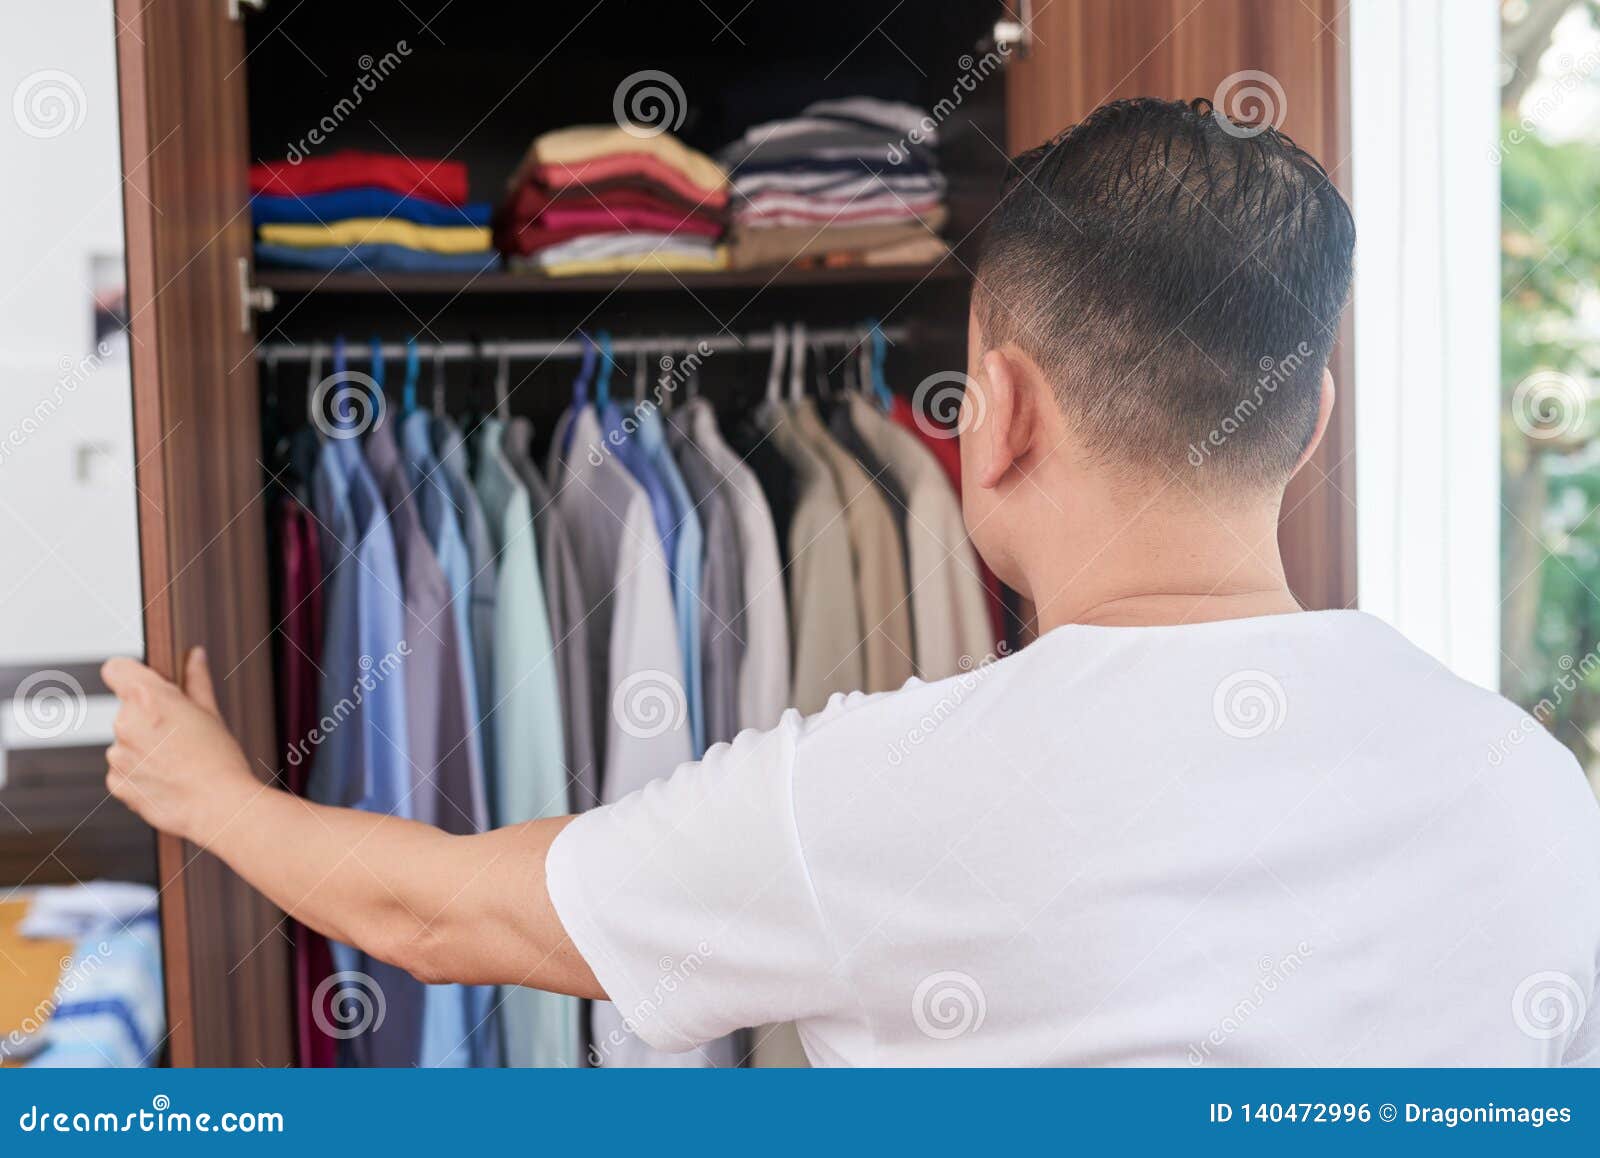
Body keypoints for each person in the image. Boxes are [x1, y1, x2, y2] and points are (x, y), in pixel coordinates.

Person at [101, 97, 1600, 1066]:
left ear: (997, 411)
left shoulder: (873, 796)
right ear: (1314, 422)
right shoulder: (1533, 790)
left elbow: (440, 919)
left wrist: (215, 795)